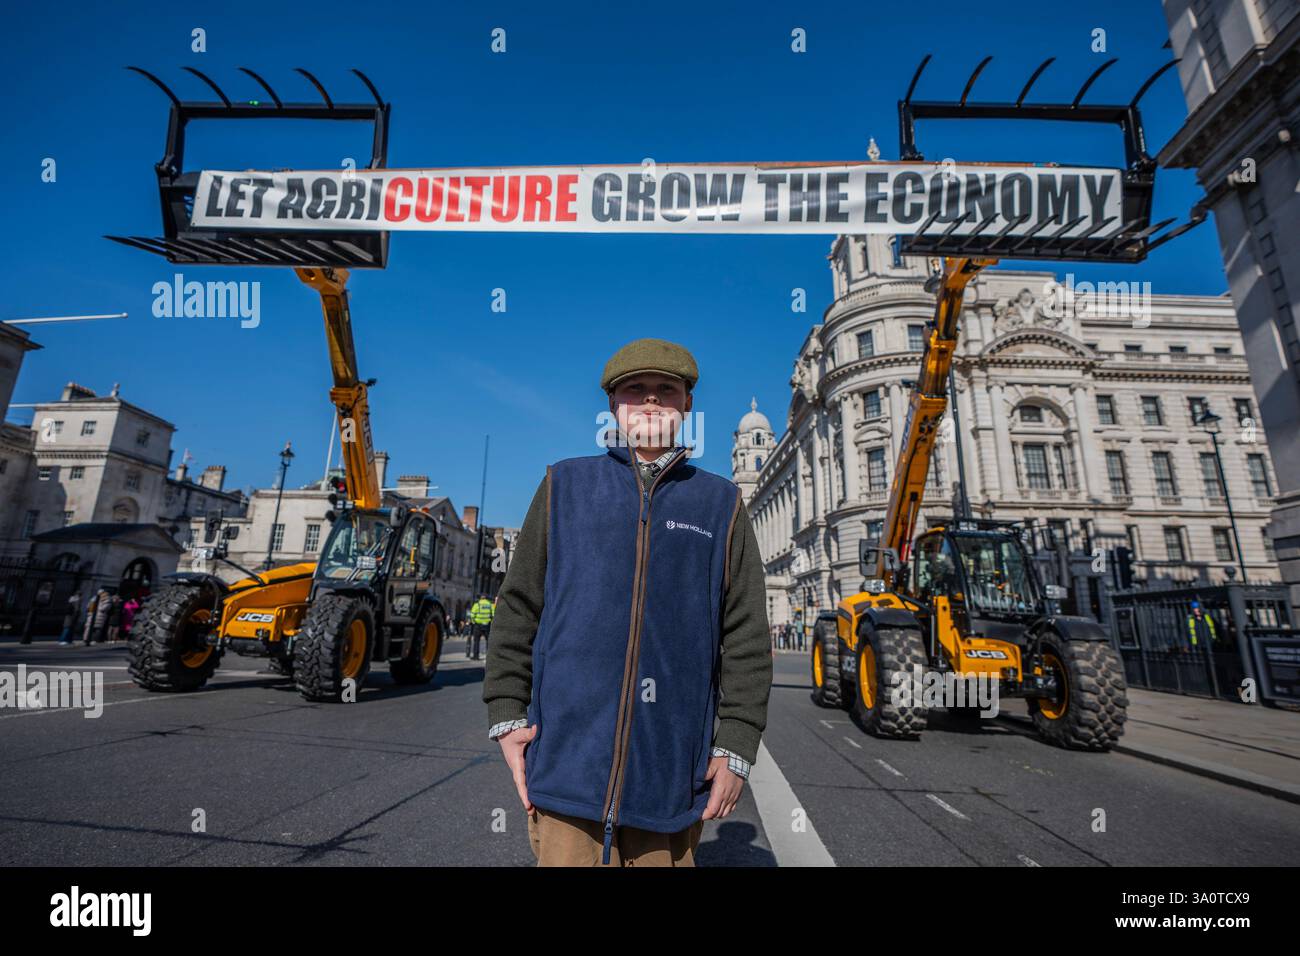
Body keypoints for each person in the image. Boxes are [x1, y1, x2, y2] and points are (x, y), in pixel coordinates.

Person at [484, 338, 772, 867]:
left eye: (667, 390)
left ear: (687, 405)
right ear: (613, 406)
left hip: (668, 777)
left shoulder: (720, 502)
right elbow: (518, 604)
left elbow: (748, 633)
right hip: (568, 771)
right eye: (635, 390)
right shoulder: (563, 484)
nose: (651, 401)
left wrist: (736, 746)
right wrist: (505, 715)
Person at [468, 593, 494, 660]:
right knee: (488, 641)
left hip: (478, 625)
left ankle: (476, 656)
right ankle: (489, 657)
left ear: (480, 598)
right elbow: (493, 615)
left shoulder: (477, 604)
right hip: (487, 625)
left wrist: (473, 622)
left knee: (476, 641)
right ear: (486, 598)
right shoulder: (490, 604)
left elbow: (472, 615)